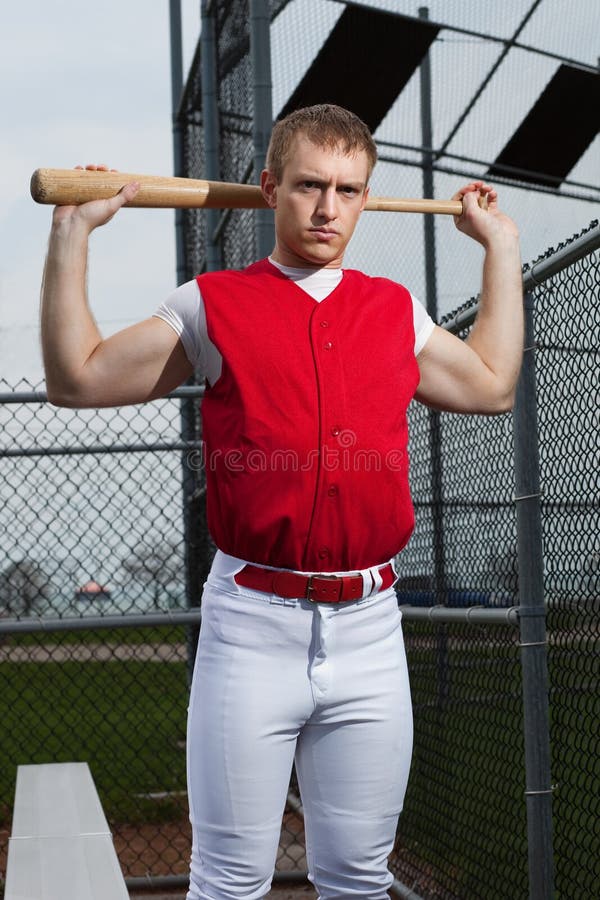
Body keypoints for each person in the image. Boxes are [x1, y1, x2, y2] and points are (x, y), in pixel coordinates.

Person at [41, 104, 522, 899]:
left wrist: (500, 250)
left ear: (366, 197)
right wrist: (73, 236)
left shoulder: (394, 310)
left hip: (370, 628)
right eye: (308, 186)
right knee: (229, 882)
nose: (329, 208)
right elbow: (77, 379)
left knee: (360, 880)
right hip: (252, 627)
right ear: (269, 188)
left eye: (348, 189)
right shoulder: (210, 303)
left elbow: (492, 385)